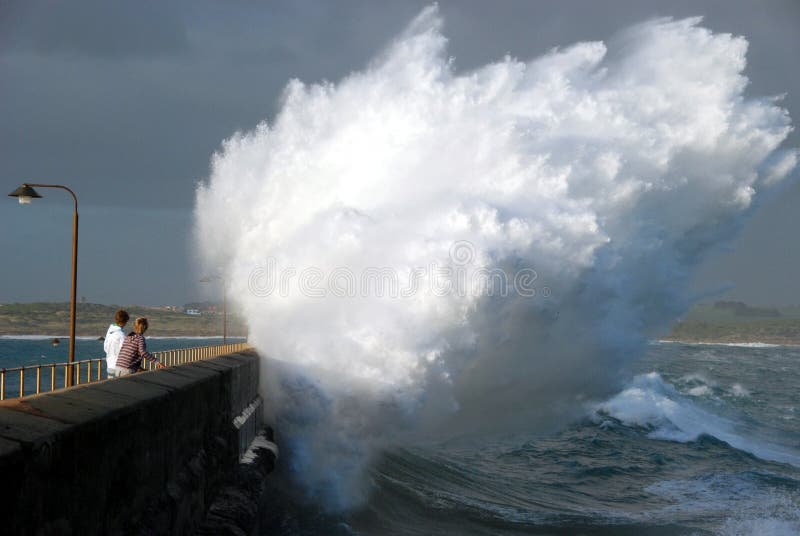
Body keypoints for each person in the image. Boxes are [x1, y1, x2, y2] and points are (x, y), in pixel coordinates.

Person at [104, 309, 129, 378]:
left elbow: (105, 347)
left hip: (109, 365)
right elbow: (125, 352)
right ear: (124, 322)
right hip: (118, 367)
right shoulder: (121, 334)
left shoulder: (110, 331)